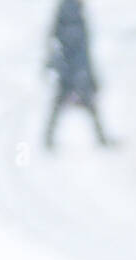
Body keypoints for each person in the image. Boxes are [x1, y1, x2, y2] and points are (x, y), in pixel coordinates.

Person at [44, 0, 111, 150]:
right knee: (81, 103)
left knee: (73, 104)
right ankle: (101, 139)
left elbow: (55, 40)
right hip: (73, 69)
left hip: (71, 68)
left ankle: (48, 140)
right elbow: (75, 45)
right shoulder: (72, 12)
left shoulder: (70, 11)